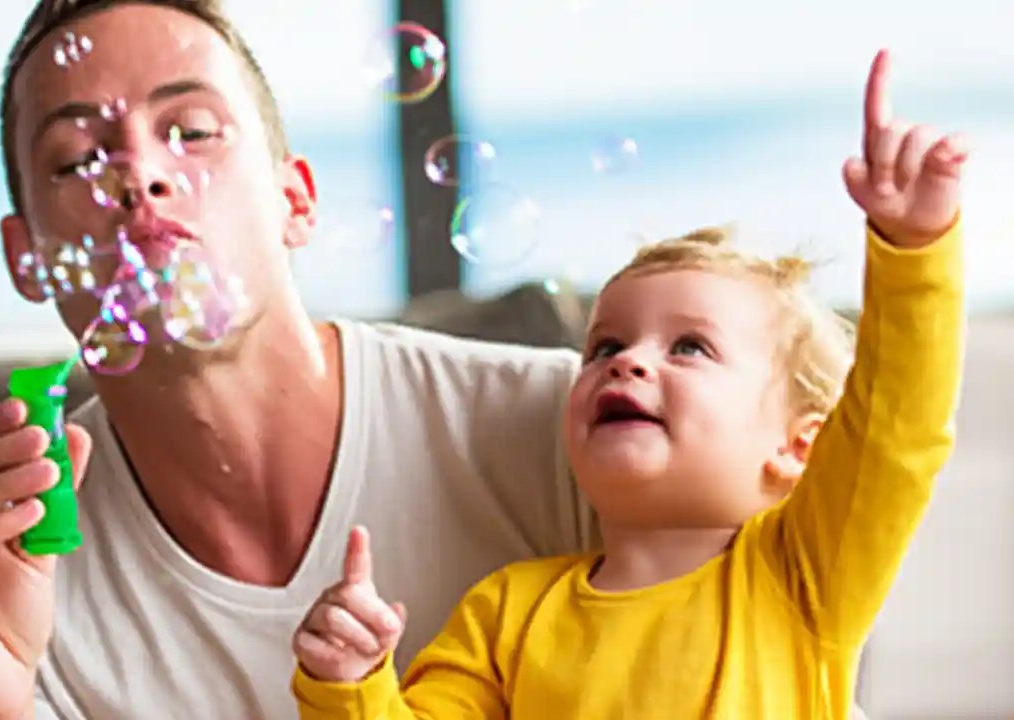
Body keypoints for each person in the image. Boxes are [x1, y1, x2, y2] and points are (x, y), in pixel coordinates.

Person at [0, 1, 592, 718]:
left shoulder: (565, 434)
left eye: (190, 132)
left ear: (295, 200)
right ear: (26, 256)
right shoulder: (8, 564)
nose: (140, 176)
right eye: (77, 160)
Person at [289, 49, 966, 718]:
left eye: (690, 347)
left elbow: (896, 430)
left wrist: (913, 248)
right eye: (606, 345)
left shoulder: (802, 575)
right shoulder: (506, 613)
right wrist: (353, 685)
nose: (628, 361)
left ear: (798, 447)